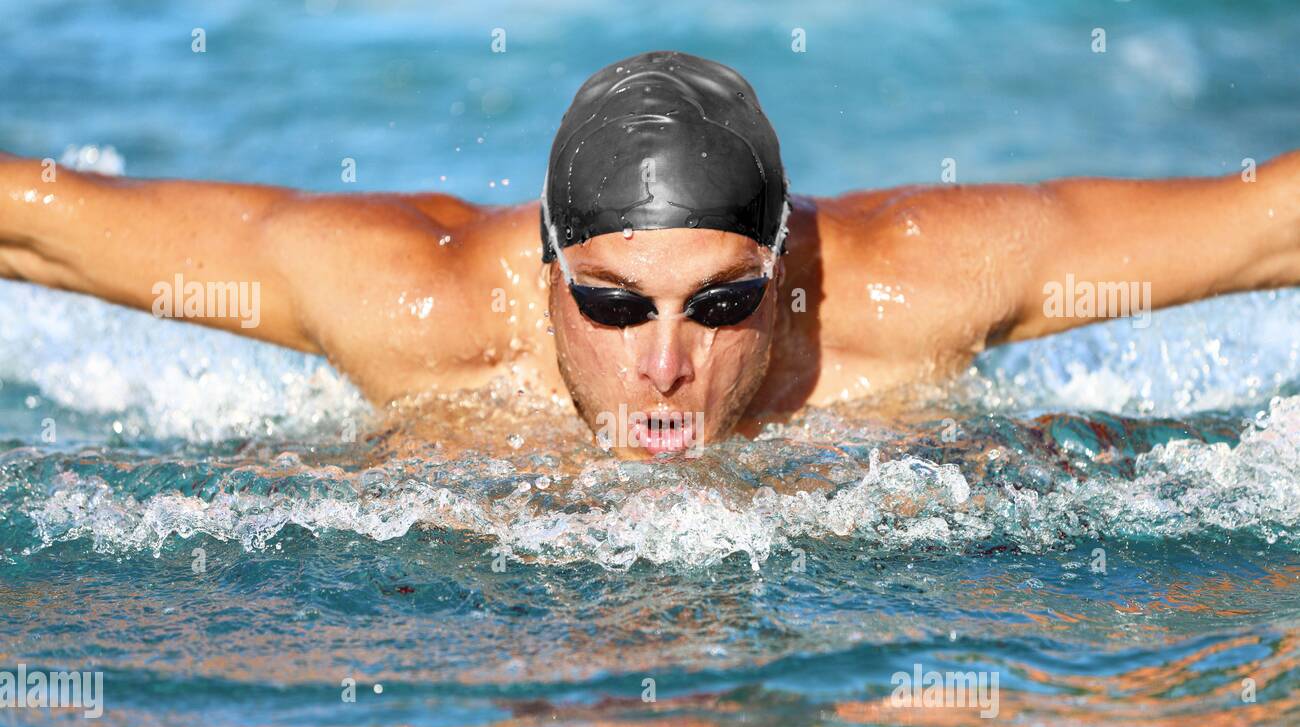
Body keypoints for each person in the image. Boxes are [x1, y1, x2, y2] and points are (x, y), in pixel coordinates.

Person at [2, 50, 1296, 457]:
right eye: (614, 309)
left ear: (788, 274)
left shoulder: (903, 294)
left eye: (723, 304)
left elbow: (1261, 227)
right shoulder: (418, 306)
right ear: (543, 274)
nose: (665, 368)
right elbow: (40, 229)